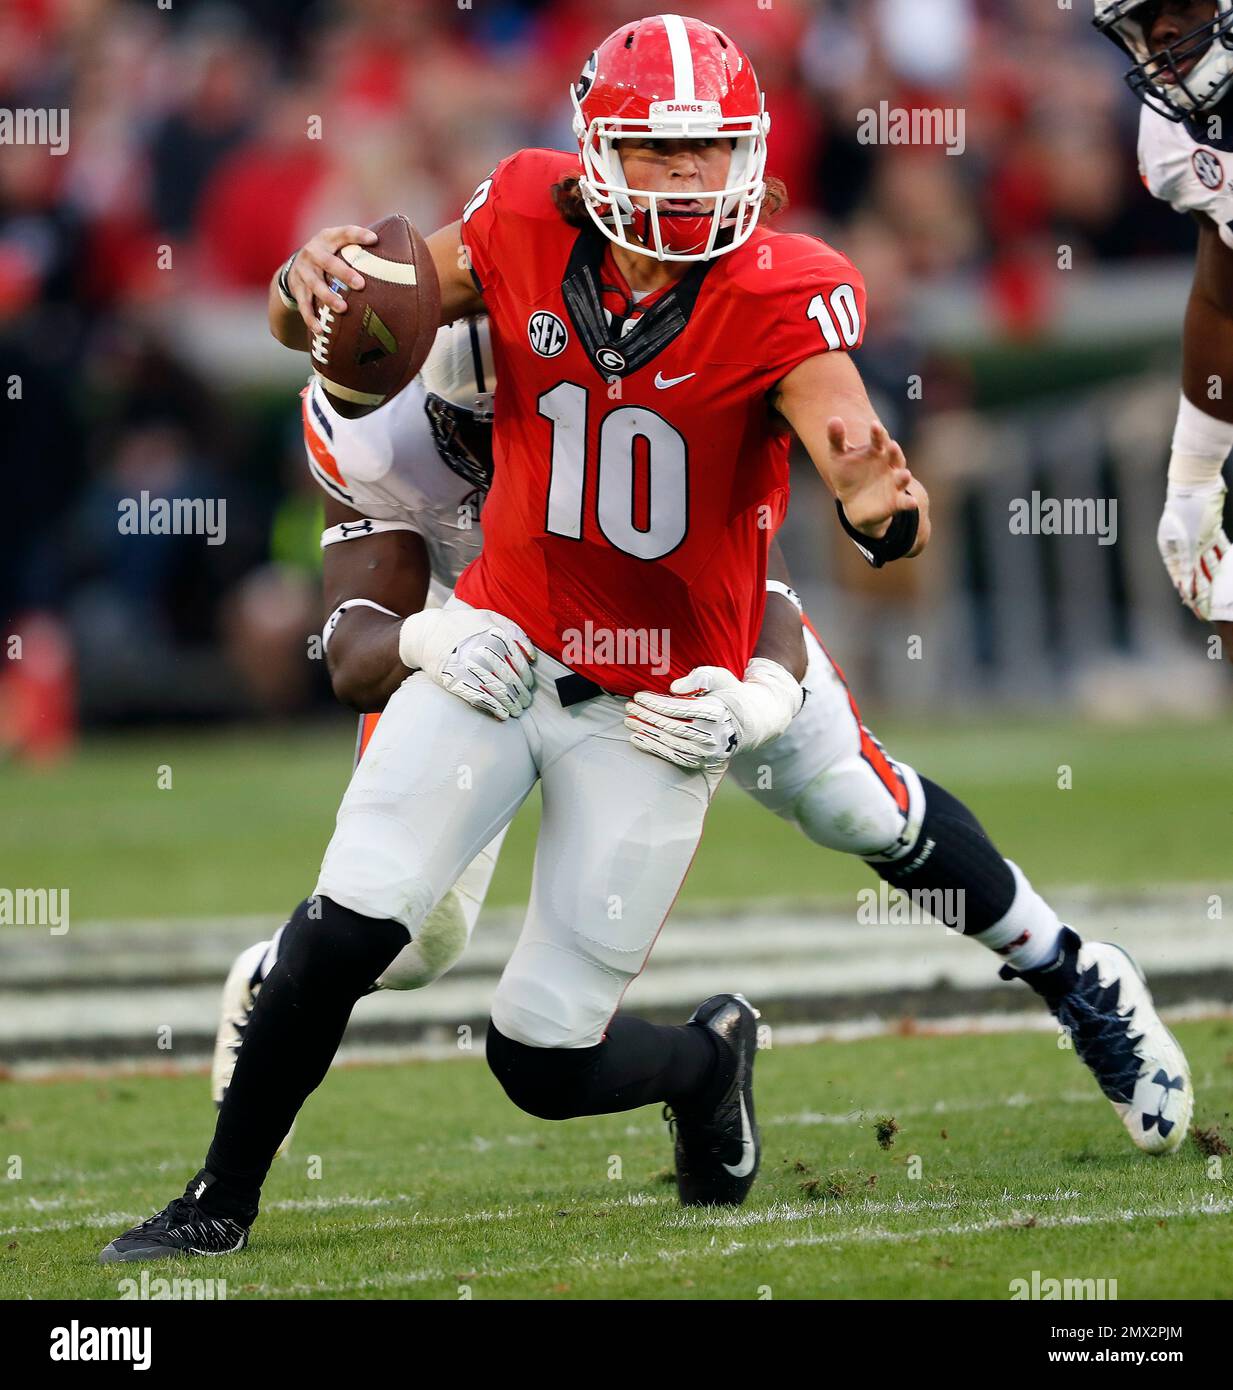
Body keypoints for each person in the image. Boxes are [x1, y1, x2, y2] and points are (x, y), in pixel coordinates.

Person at [100, 14, 1189, 1265]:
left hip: (681, 676)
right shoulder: (466, 299)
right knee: (367, 919)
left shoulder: (772, 287)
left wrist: (862, 511)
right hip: (502, 634)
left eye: (707, 152)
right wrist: (317, 300)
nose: (685, 180)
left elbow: (816, 494)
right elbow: (355, 426)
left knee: (849, 821)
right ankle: (218, 1199)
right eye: (658, 152)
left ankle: (1065, 974)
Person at [1095, 0, 1233, 659]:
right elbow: (1220, 294)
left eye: (1180, 4)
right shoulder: (1178, 129)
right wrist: (1193, 479)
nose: (1163, 32)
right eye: (1145, 19)